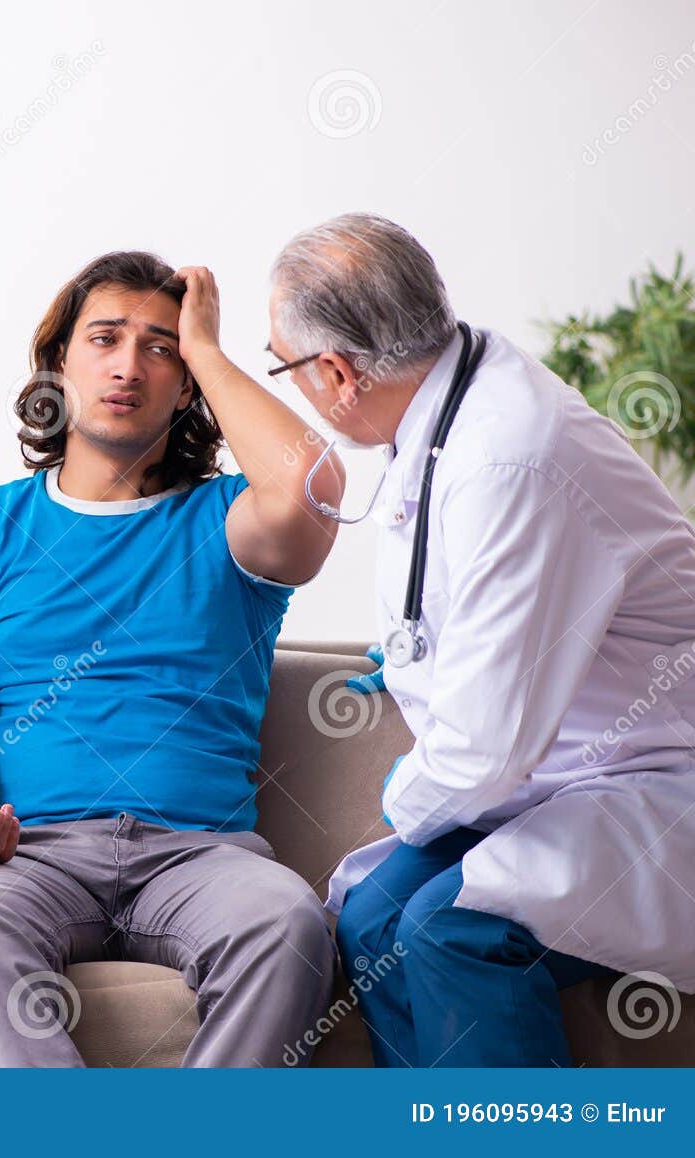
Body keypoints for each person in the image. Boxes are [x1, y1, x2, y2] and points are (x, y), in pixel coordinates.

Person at [0, 250, 345, 1066]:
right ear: (59, 361)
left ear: (188, 388)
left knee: (288, 923)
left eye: (161, 347)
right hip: (31, 853)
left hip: (201, 855)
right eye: (104, 338)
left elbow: (311, 485)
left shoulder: (228, 522)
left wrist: (210, 350)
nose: (128, 364)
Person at [270, 211, 695, 1066]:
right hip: (562, 778)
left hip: (654, 780)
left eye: (284, 368)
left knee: (448, 930)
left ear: (336, 373)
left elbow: (481, 754)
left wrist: (408, 795)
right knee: (371, 918)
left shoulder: (510, 455)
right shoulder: (452, 414)